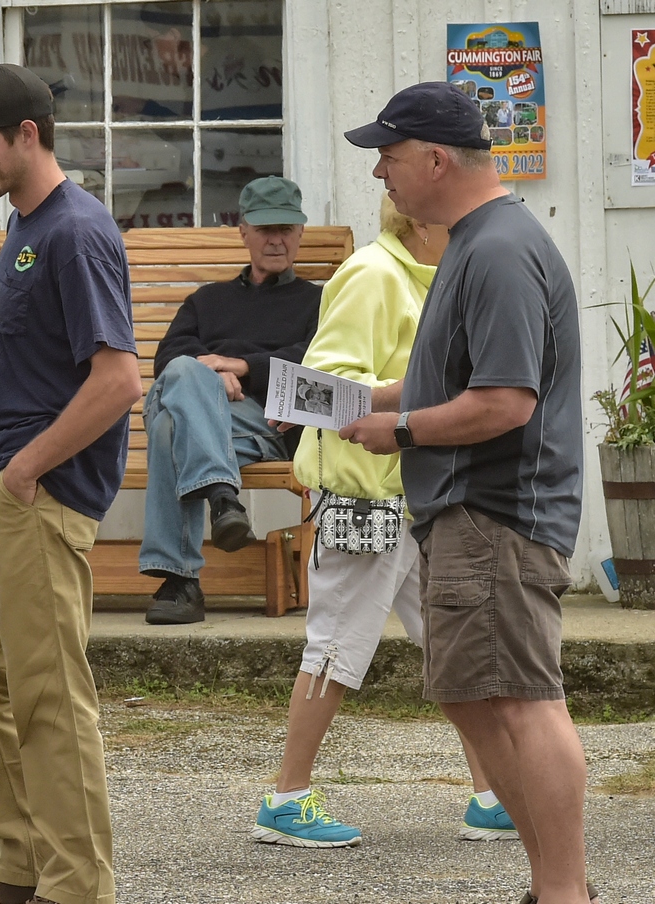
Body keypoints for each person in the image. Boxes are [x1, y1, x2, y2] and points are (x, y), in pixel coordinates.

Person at [340, 82, 592, 904]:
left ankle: (563, 892)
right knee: (476, 702)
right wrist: (336, 399)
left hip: (497, 514)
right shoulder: (476, 242)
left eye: (388, 155)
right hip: (474, 516)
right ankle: (555, 885)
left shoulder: (497, 250)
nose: (379, 172)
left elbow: (505, 403)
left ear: (436, 160)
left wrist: (401, 431)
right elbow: (447, 378)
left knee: (520, 704)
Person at [0, 63, 143, 904]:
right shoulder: (26, 226)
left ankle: (76, 886)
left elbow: (118, 381)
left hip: (36, 493)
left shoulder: (74, 232)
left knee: (49, 696)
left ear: (26, 134)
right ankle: (26, 861)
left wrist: (28, 467)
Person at [255, 194, 518, 847]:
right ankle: (286, 799)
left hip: (417, 498)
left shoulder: (432, 275)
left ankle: (492, 795)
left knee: (453, 648)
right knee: (335, 650)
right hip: (366, 498)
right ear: (423, 220)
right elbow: (325, 383)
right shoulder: (373, 273)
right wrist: (443, 388)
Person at [138, 176, 321, 625]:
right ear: (243, 231)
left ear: (300, 232)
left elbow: (317, 363)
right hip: (215, 425)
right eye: (265, 229)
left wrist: (243, 367)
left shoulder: (318, 302)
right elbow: (168, 359)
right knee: (183, 373)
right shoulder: (207, 300)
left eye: (285, 229)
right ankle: (223, 498)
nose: (276, 240)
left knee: (167, 429)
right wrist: (210, 379)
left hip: (264, 426)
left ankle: (180, 582)